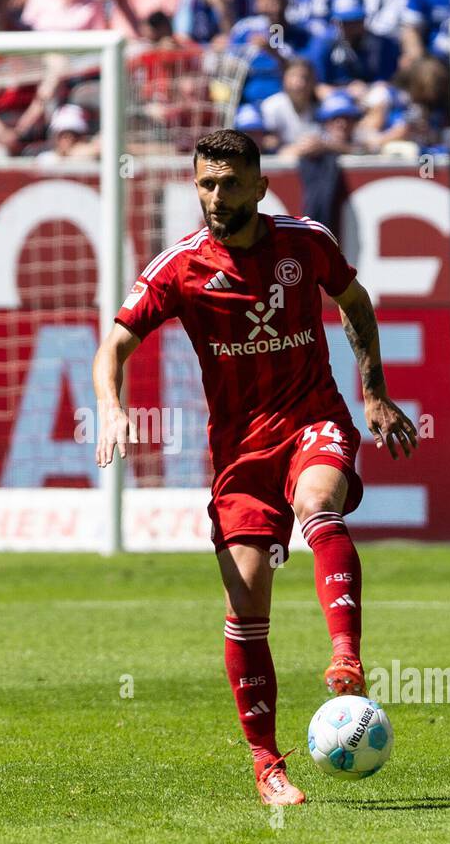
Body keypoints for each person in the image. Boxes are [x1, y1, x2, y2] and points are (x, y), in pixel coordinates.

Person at [92, 129, 418, 805]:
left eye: (230, 183)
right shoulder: (180, 266)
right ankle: (268, 764)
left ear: (260, 186)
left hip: (312, 420)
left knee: (317, 503)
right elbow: (115, 343)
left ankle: (345, 655)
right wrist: (111, 406)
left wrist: (375, 392)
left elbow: (353, 302)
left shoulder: (305, 240)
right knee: (246, 603)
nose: (216, 196)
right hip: (240, 456)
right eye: (207, 183)